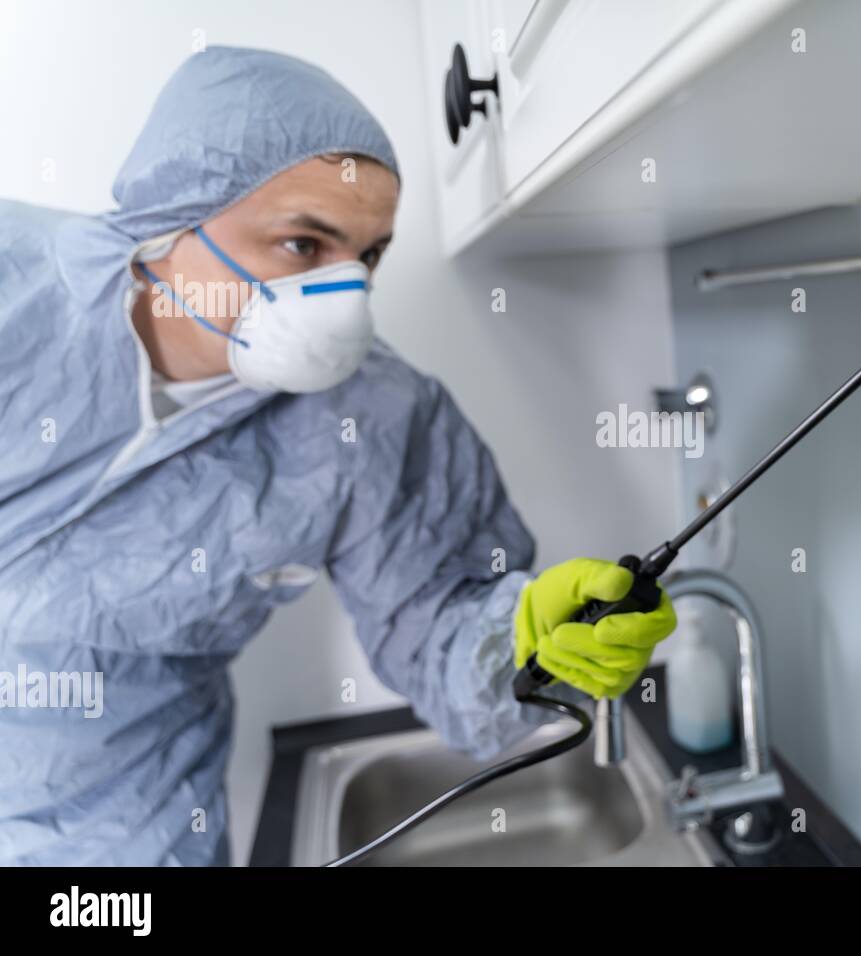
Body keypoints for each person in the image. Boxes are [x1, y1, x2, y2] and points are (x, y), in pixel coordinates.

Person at [0, 46, 676, 866]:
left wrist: (523, 636)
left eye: (367, 257)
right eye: (303, 245)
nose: (343, 297)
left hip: (122, 821)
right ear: (172, 222)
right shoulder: (17, 288)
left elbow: (433, 631)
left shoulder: (374, 417)